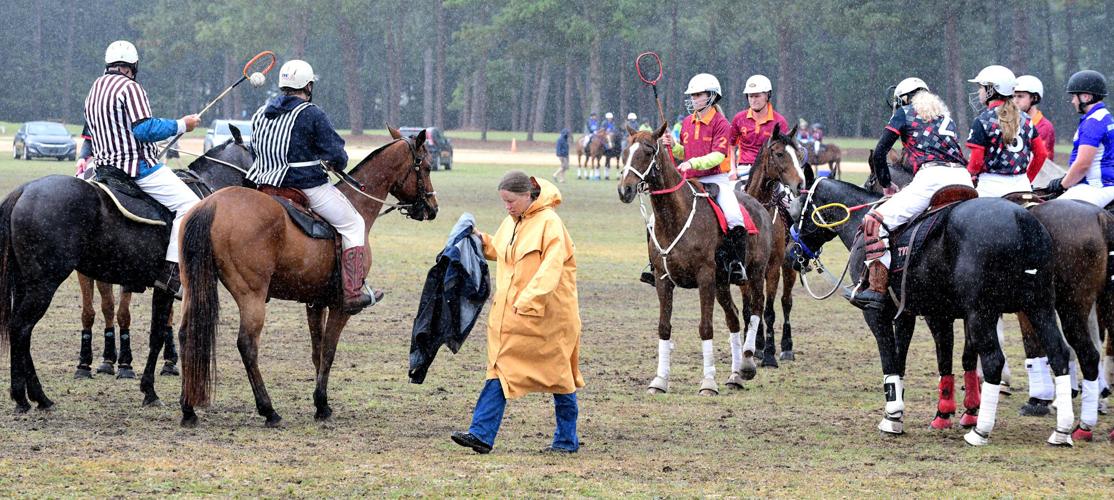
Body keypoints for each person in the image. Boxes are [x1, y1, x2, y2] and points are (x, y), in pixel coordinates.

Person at [451, 171, 583, 454]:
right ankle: (481, 434)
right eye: (504, 202)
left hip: (550, 317)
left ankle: (566, 440)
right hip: (516, 315)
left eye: (511, 201)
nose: (507, 207)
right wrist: (477, 239)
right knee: (500, 367)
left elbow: (552, 269)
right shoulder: (513, 221)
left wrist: (529, 300)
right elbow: (500, 249)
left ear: (527, 195)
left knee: (561, 377)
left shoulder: (550, 224)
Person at [246, 59, 382, 314]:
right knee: (354, 224)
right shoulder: (311, 114)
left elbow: (255, 148)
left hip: (263, 187)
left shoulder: (260, 112)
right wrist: (329, 161)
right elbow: (338, 156)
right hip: (304, 187)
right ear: (308, 86)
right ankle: (352, 292)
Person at [83, 40, 201, 299]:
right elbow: (144, 129)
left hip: (103, 168)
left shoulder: (94, 89)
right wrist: (183, 124)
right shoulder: (130, 87)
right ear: (133, 66)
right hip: (135, 168)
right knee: (192, 207)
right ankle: (171, 274)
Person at [856, 77, 969, 311]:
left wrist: (886, 184)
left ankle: (877, 289)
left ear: (905, 98)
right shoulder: (945, 116)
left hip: (931, 178)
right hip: (963, 177)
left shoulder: (905, 112)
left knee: (873, 221)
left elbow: (879, 153)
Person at [659, 72, 747, 284]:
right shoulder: (688, 122)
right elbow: (684, 152)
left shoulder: (721, 123)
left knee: (735, 217)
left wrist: (693, 163)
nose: (693, 99)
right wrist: (673, 146)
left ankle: (736, 265)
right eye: (692, 95)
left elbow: (718, 155)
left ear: (712, 96)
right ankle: (656, 263)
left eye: (697, 95)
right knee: (657, 218)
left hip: (716, 180)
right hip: (689, 182)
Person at [965, 65, 1047, 197]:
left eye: (981, 87)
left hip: (990, 187)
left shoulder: (982, 120)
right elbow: (1041, 154)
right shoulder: (1026, 118)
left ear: (991, 89)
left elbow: (976, 162)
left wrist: (967, 176)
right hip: (1022, 187)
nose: (979, 92)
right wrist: (1027, 178)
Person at [1046, 70, 1114, 208]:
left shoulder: (1093, 122)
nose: (1072, 101)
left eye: (1074, 97)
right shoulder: (1105, 117)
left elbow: (1083, 164)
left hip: (1095, 186)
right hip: (1105, 184)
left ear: (1086, 97)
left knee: (1048, 212)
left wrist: (1062, 184)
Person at [730, 74, 789, 184]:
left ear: (767, 95)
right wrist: (732, 169)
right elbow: (730, 146)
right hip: (744, 169)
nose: (753, 100)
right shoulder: (739, 118)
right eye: (750, 96)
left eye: (757, 96)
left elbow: (785, 152)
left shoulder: (780, 122)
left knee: (788, 200)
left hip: (770, 170)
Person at [1014, 75, 1056, 163]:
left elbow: (1040, 161)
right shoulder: (1014, 122)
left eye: (1020, 96)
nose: (1015, 101)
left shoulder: (1044, 127)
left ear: (1034, 98)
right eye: (1013, 96)